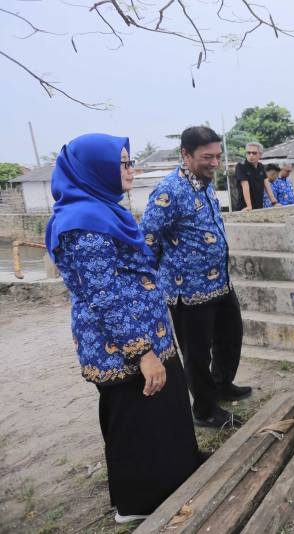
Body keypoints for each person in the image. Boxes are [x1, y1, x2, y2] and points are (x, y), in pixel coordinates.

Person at [46, 134, 201, 524]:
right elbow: (105, 298)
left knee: (164, 416)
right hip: (123, 350)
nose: (131, 171)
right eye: (124, 164)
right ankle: (139, 504)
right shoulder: (81, 224)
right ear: (92, 170)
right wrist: (142, 353)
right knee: (136, 424)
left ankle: (175, 481)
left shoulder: (105, 210)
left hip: (150, 338)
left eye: (131, 163)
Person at [141, 126, 251, 429]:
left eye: (217, 156)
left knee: (231, 336)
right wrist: (150, 285)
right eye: (207, 157)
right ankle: (204, 409)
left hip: (219, 282)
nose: (215, 163)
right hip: (187, 290)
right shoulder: (169, 191)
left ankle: (221, 384)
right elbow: (148, 239)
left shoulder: (203, 184)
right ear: (185, 155)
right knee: (197, 354)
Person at [235, 141, 267, 211]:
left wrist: (274, 202)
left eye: (254, 153)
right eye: (248, 153)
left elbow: (267, 184)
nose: (251, 155)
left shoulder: (261, 166)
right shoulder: (241, 166)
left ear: (260, 155)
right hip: (244, 208)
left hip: (259, 206)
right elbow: (245, 186)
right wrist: (249, 206)